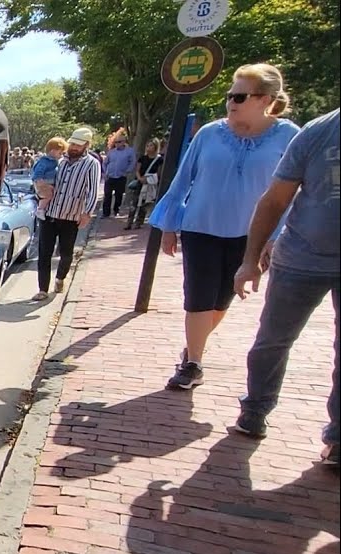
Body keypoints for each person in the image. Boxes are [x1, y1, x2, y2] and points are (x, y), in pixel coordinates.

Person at [150, 63, 300, 391]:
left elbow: (291, 194)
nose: (231, 101)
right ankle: (193, 365)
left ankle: (193, 347)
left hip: (251, 235)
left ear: (265, 99)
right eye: (229, 95)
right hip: (201, 227)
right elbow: (182, 181)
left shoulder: (290, 137)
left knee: (221, 301)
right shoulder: (209, 134)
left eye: (240, 95)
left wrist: (275, 237)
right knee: (197, 296)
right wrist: (169, 225)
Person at [231, 108, 339, 465]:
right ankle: (255, 408)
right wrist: (249, 261)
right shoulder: (319, 131)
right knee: (273, 340)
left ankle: (338, 437)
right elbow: (275, 200)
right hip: (301, 259)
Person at [32, 127, 100, 301]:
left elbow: (92, 190)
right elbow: (41, 179)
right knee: (44, 252)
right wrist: (40, 190)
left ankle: (60, 277)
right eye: (73, 143)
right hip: (50, 213)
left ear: (86, 145)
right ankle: (42, 289)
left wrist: (87, 212)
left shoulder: (92, 164)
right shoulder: (59, 161)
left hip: (71, 215)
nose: (74, 147)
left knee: (66, 253)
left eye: (78, 144)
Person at [124, 138, 163, 230]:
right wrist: (140, 178)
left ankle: (139, 222)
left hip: (150, 183)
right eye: (148, 146)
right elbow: (137, 170)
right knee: (134, 202)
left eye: (151, 146)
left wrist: (149, 179)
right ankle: (129, 222)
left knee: (145, 203)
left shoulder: (159, 159)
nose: (149, 148)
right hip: (140, 182)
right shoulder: (143, 158)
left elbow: (159, 172)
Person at [30, 137, 65, 220]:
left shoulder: (53, 161)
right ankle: (40, 210)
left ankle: (43, 209)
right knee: (47, 196)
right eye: (60, 153)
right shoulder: (44, 161)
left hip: (47, 183)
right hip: (42, 183)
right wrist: (44, 184)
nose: (61, 155)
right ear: (53, 151)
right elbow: (37, 174)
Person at [102, 135, 136, 217]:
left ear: (124, 142)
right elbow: (105, 163)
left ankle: (116, 210)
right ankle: (105, 213)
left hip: (121, 177)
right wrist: (104, 172)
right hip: (110, 176)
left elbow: (132, 162)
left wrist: (127, 171)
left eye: (119, 142)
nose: (117, 144)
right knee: (107, 195)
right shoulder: (111, 152)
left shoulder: (129, 151)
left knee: (118, 195)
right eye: (116, 142)